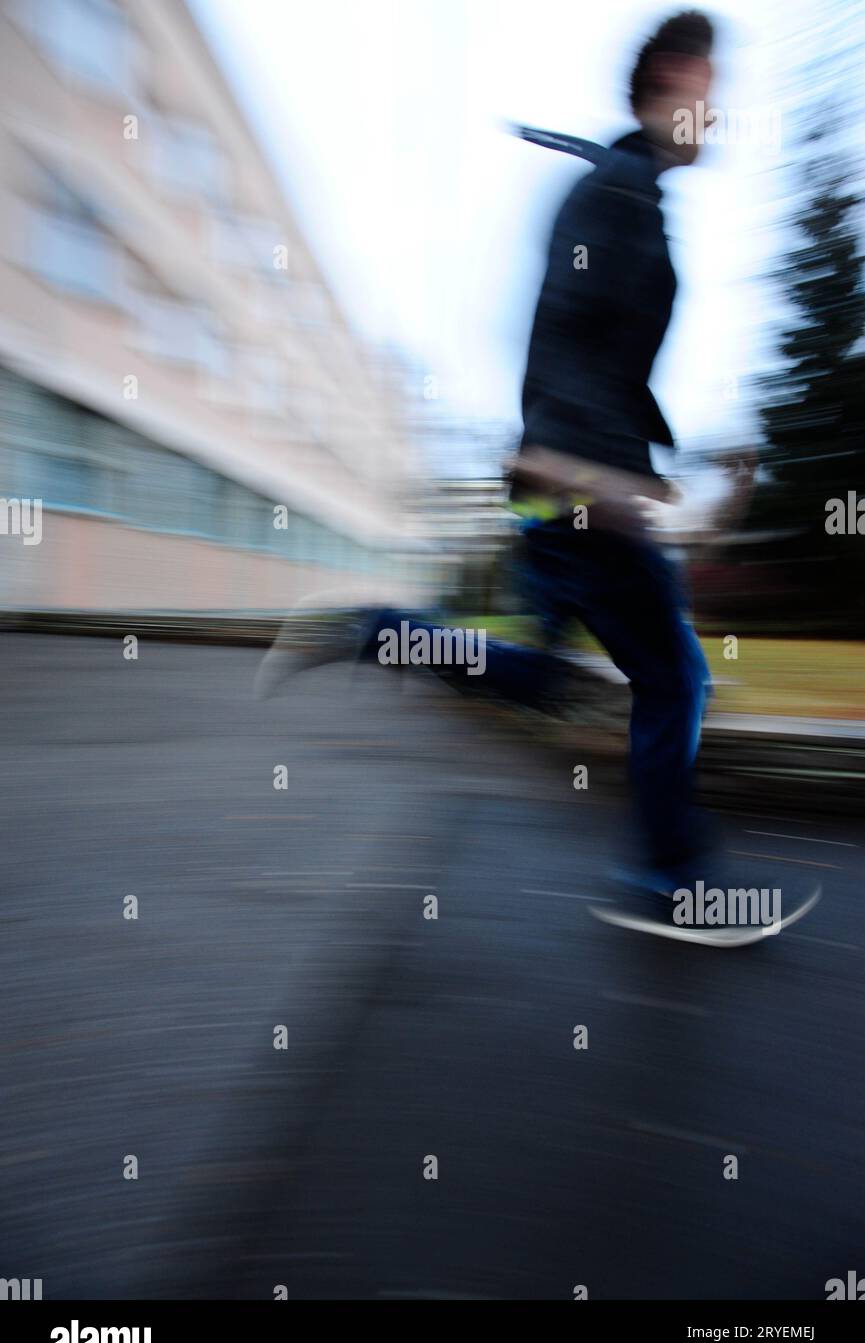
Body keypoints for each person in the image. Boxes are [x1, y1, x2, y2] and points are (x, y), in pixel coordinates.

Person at [257, 12, 817, 938]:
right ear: (677, 77)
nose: (718, 115)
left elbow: (590, 356)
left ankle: (373, 631)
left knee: (547, 675)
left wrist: (662, 464)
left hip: (560, 483)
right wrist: (593, 475)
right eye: (713, 92)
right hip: (575, 484)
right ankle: (671, 885)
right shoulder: (621, 193)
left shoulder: (620, 190)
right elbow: (565, 338)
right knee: (676, 681)